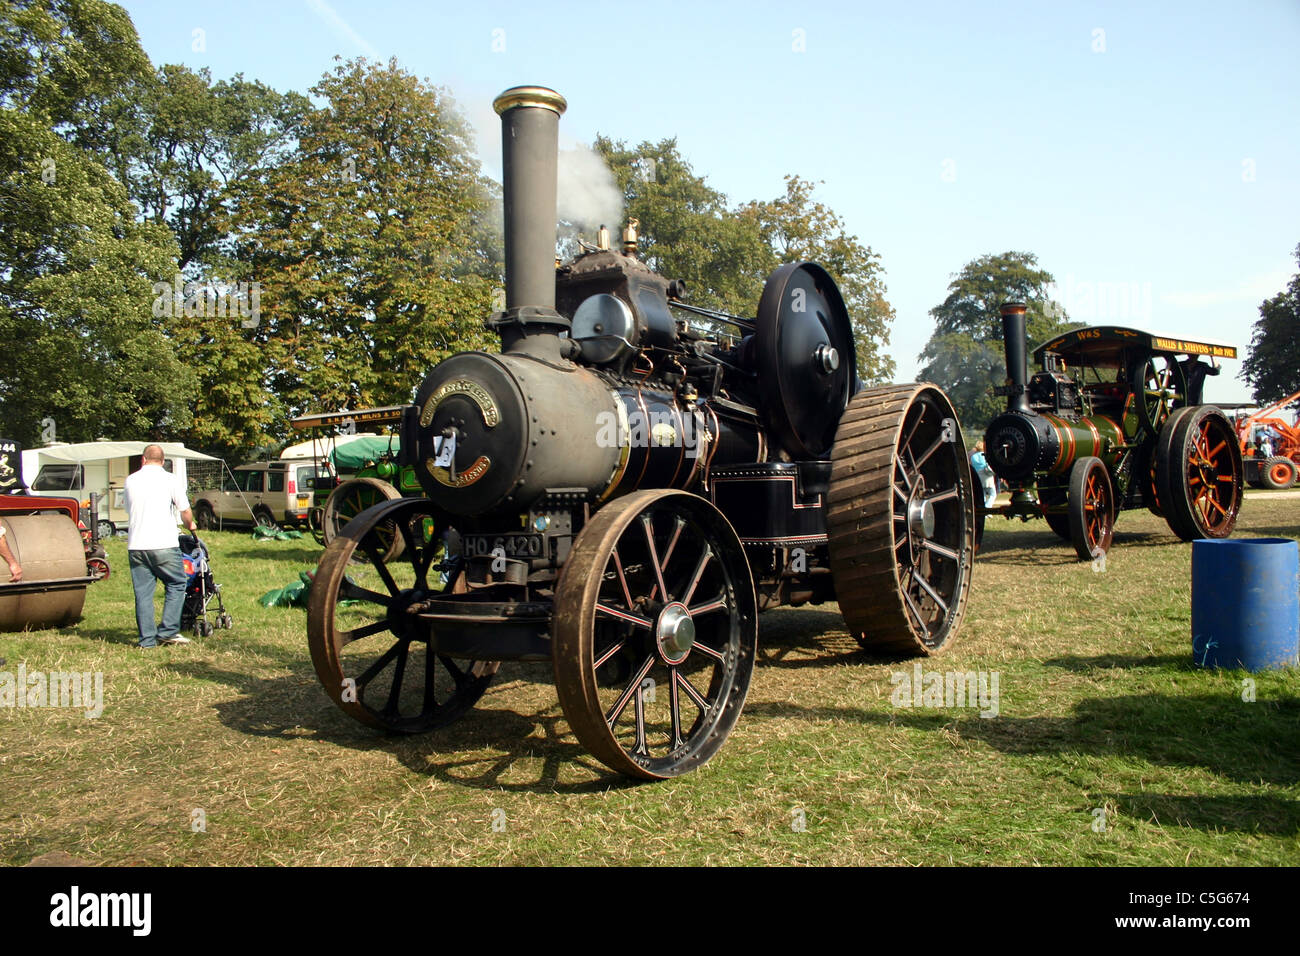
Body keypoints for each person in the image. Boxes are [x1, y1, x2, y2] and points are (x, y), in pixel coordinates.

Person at [124, 445, 197, 648]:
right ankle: (168, 631)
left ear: (143, 459)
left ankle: (146, 640)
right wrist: (190, 524)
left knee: (143, 593)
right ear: (163, 461)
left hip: (137, 545)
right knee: (176, 583)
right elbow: (185, 510)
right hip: (163, 542)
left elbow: (128, 509)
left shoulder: (130, 480)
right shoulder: (170, 479)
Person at [971, 441, 998, 509]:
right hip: (987, 477)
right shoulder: (985, 455)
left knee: (982, 495)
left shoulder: (973, 457)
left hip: (978, 477)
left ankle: (983, 508)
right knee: (993, 494)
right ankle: (987, 506)